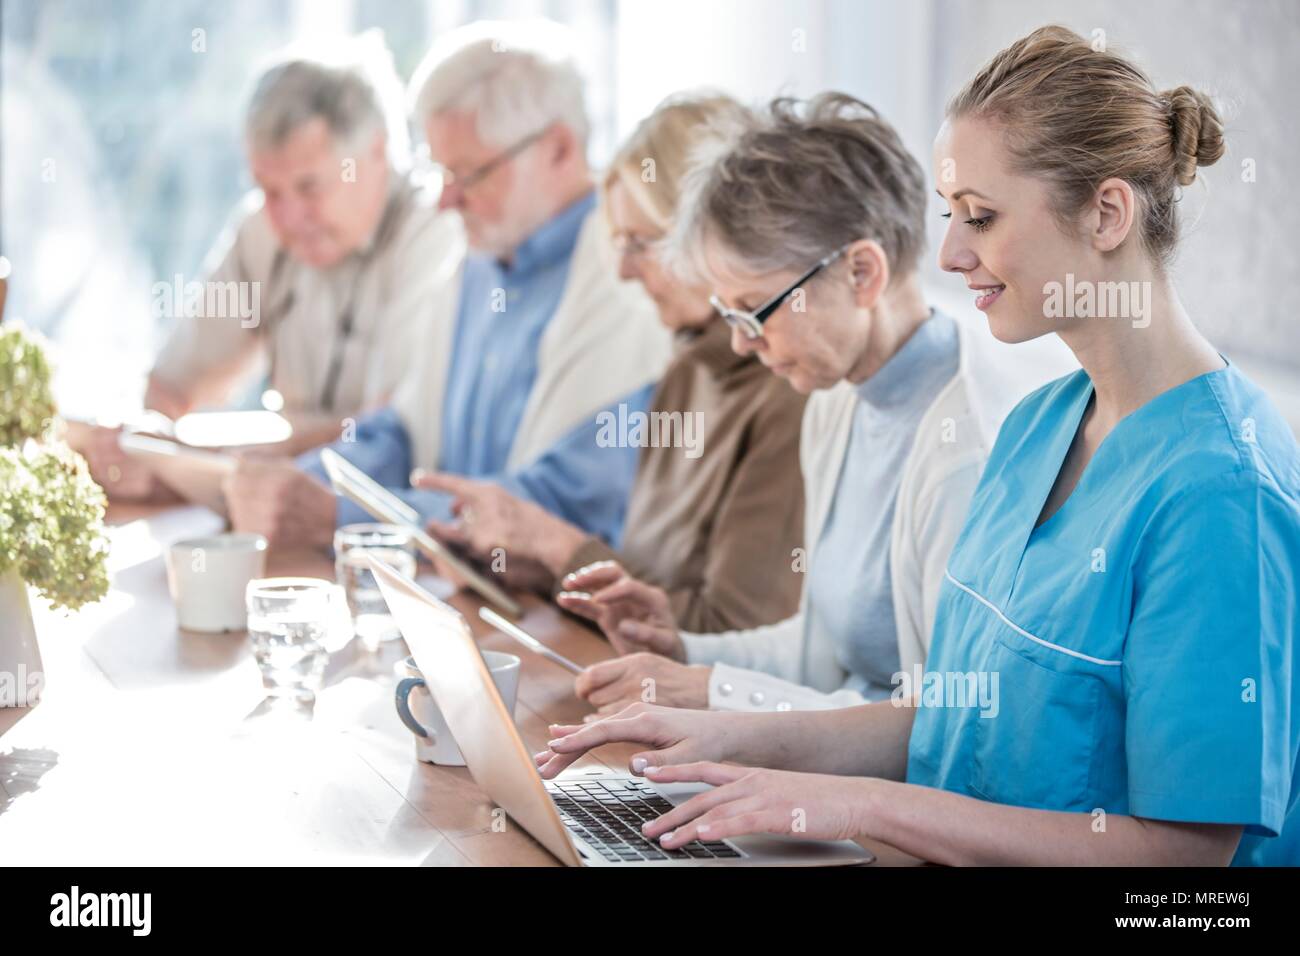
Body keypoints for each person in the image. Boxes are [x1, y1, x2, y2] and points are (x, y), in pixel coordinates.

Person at [533, 27, 1300, 867]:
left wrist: (861, 805)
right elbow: (951, 717)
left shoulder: (1223, 491)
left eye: (981, 217)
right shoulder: (1042, 424)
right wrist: (721, 725)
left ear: (1107, 213)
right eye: (949, 216)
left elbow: (1183, 863)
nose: (947, 253)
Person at [556, 93, 1061, 715]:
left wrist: (719, 690)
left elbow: (950, 727)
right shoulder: (837, 399)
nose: (742, 342)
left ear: (861, 274)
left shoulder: (968, 447)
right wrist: (684, 647)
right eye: (727, 313)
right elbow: (828, 658)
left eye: (755, 310)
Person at [224, 20, 670, 548]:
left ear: (558, 149)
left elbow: (565, 503)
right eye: (440, 173)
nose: (444, 201)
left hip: (552, 619)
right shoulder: (475, 261)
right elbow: (405, 430)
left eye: (469, 174)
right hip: (448, 604)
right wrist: (308, 482)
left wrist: (342, 514)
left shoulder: (629, 277)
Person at [409, 92, 808, 632]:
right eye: (618, 244)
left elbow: (725, 633)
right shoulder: (686, 371)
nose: (623, 271)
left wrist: (557, 545)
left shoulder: (788, 395)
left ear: (716, 237)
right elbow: (648, 579)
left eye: (640, 243)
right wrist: (525, 563)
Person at [81, 33, 462, 497]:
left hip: (383, 519)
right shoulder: (261, 229)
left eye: (309, 187)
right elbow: (170, 387)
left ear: (377, 152)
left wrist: (216, 452)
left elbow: (391, 428)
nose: (287, 217)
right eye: (269, 189)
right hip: (270, 509)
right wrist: (138, 441)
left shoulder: (439, 231)